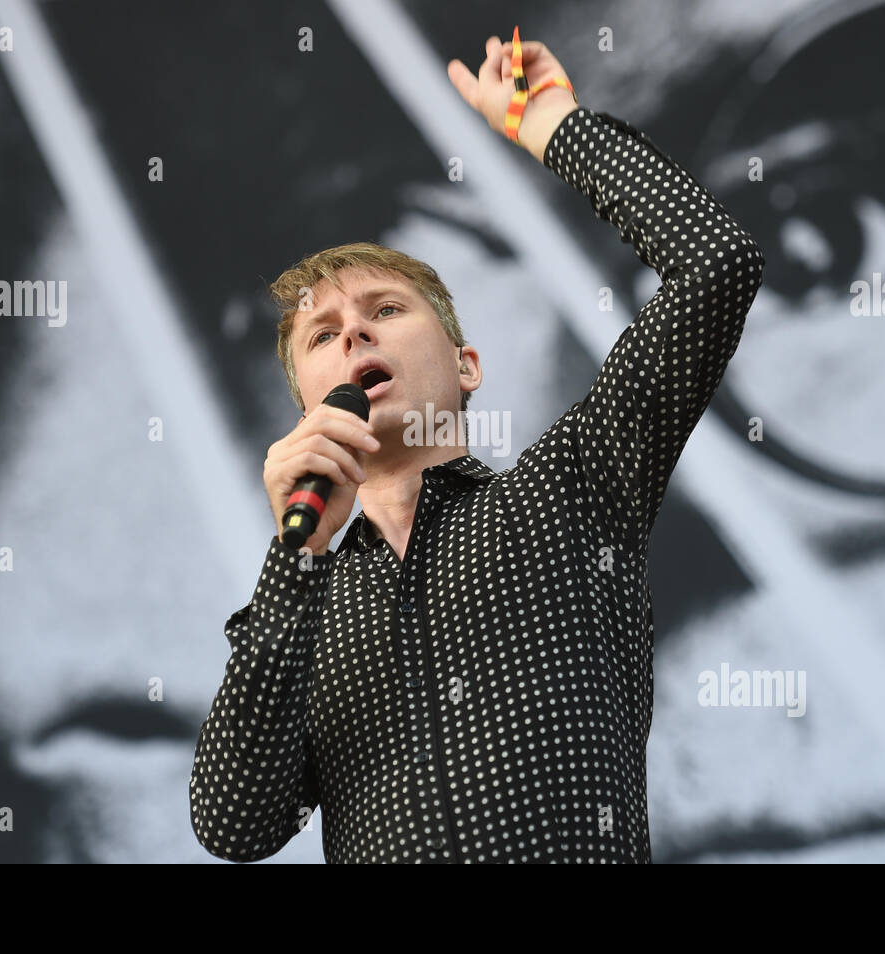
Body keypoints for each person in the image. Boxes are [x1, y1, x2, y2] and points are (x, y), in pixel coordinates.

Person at [189, 31, 765, 863]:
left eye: (386, 311)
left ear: (466, 367)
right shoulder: (304, 613)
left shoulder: (570, 489)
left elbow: (715, 265)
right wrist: (295, 562)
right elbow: (233, 827)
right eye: (322, 335)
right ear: (306, 407)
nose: (352, 329)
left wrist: (555, 126)